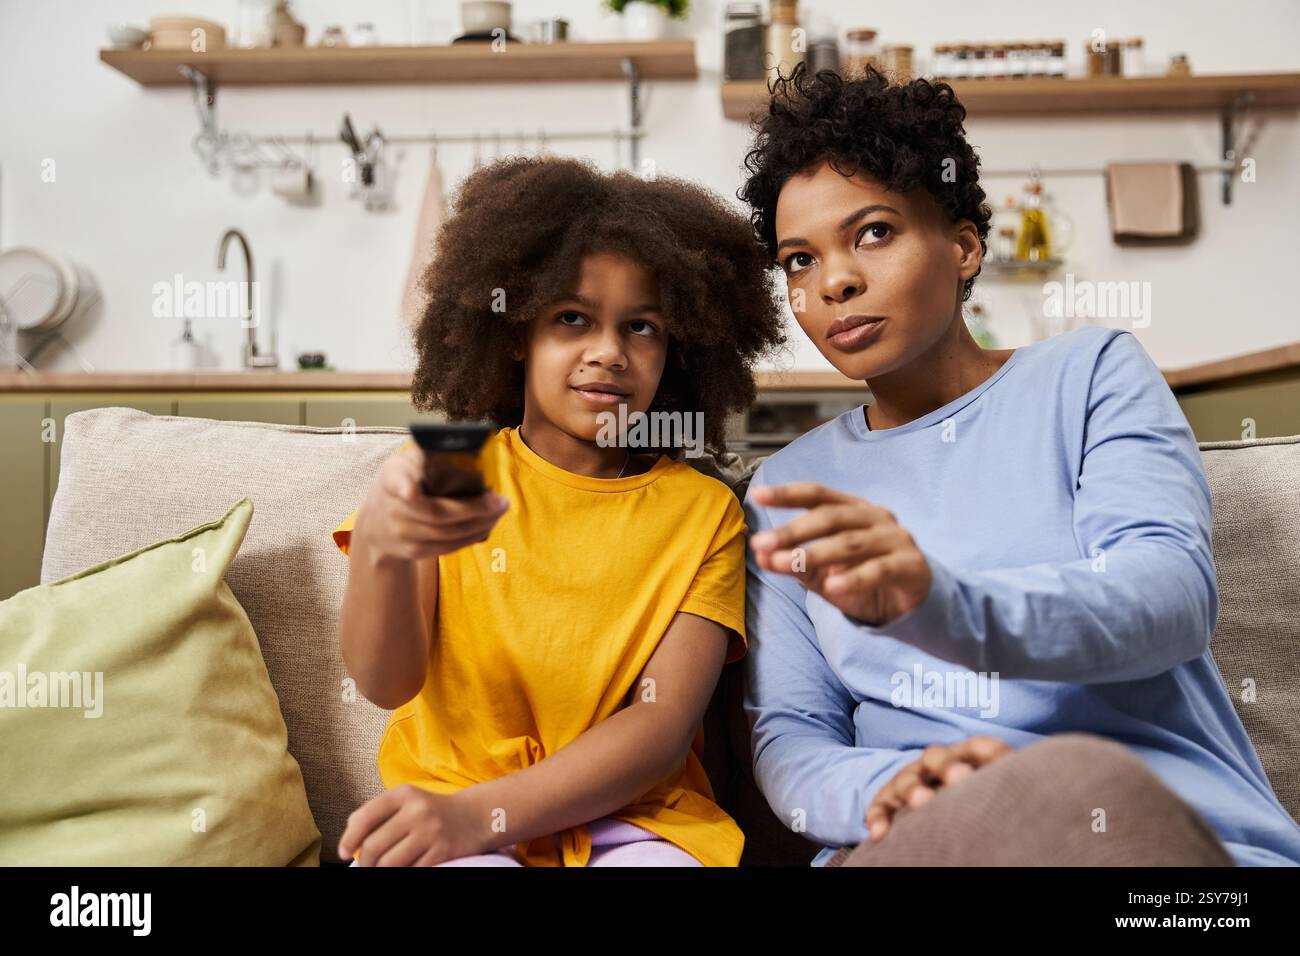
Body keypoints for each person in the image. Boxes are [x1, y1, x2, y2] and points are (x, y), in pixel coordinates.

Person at [736, 63, 1300, 866]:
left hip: (1155, 844)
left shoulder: (1089, 375)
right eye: (799, 259)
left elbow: (1170, 596)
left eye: (874, 232)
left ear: (963, 246)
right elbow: (791, 734)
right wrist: (886, 790)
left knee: (1071, 784)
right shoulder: (785, 489)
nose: (835, 282)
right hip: (922, 844)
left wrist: (941, 603)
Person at [331, 156, 786, 866]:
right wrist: (383, 552)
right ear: (516, 333)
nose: (608, 352)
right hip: (450, 800)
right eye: (572, 318)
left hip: (641, 821)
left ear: (679, 349)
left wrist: (479, 819)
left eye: (642, 327)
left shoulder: (705, 514)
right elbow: (385, 683)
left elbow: (661, 725)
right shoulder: (445, 475)